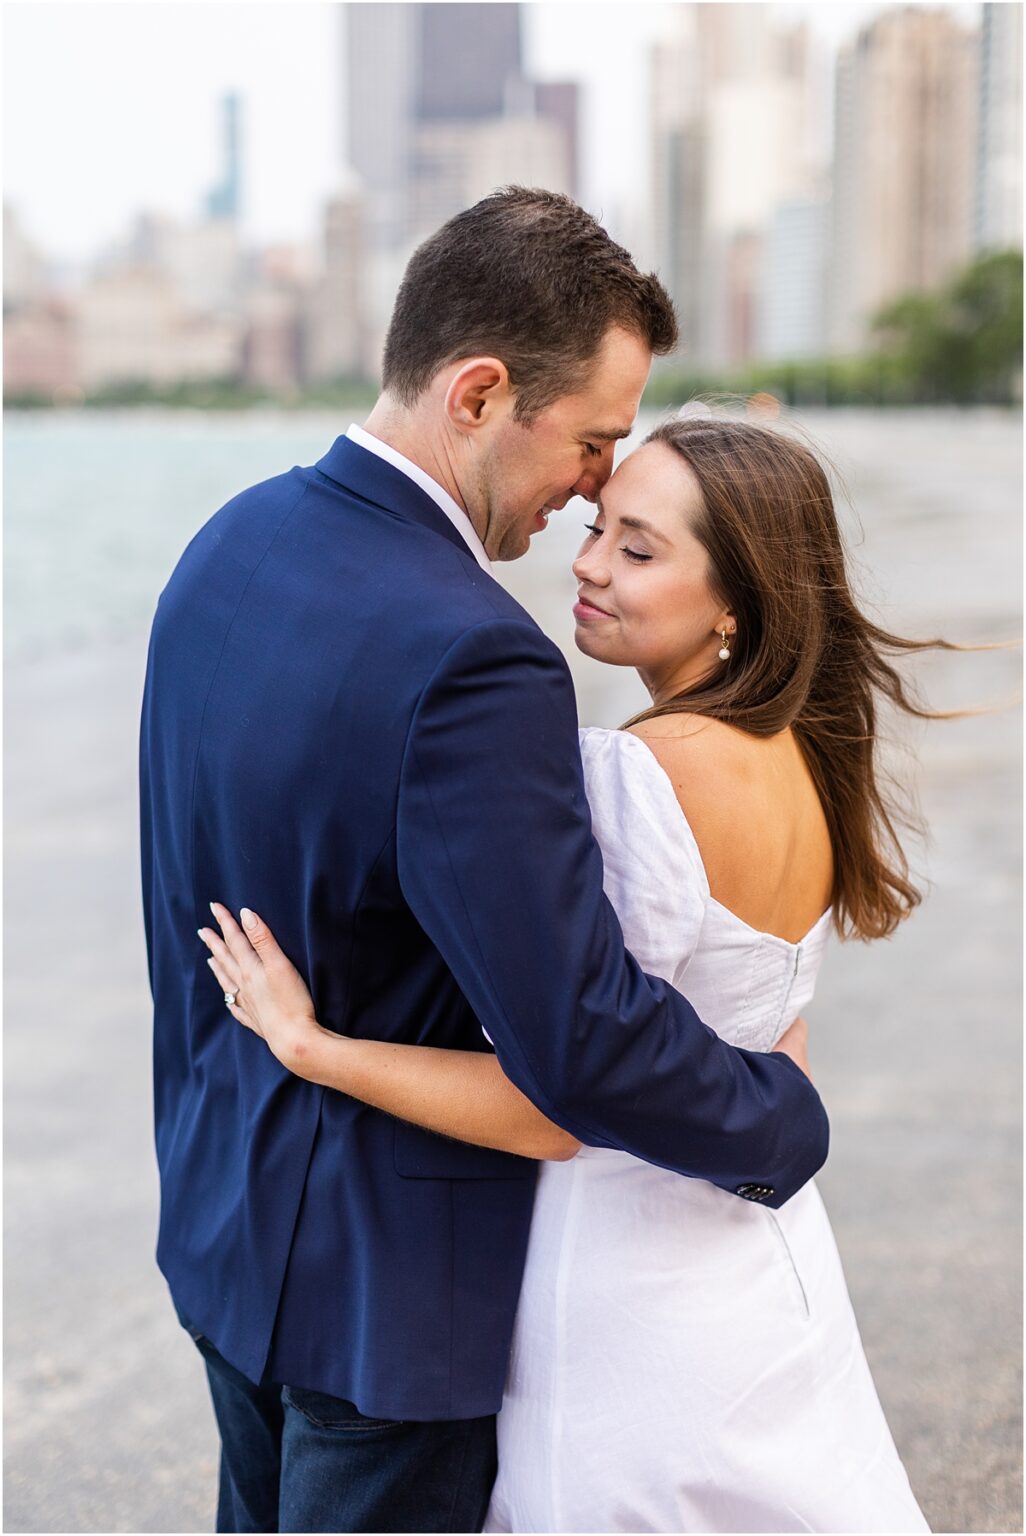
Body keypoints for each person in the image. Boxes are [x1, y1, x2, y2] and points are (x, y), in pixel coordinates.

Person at [141, 187, 828, 1535]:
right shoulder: (475, 655)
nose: (595, 485)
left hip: (221, 1227)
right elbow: (578, 1041)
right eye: (591, 441)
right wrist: (781, 1121)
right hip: (392, 1304)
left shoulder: (227, 543)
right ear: (478, 394)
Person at [201, 414, 937, 1532]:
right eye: (598, 529)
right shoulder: (809, 751)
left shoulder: (640, 774)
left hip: (621, 1288)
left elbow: (555, 1105)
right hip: (760, 1268)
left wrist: (314, 1047)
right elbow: (763, 1029)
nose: (587, 564)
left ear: (736, 602)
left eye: (638, 550)